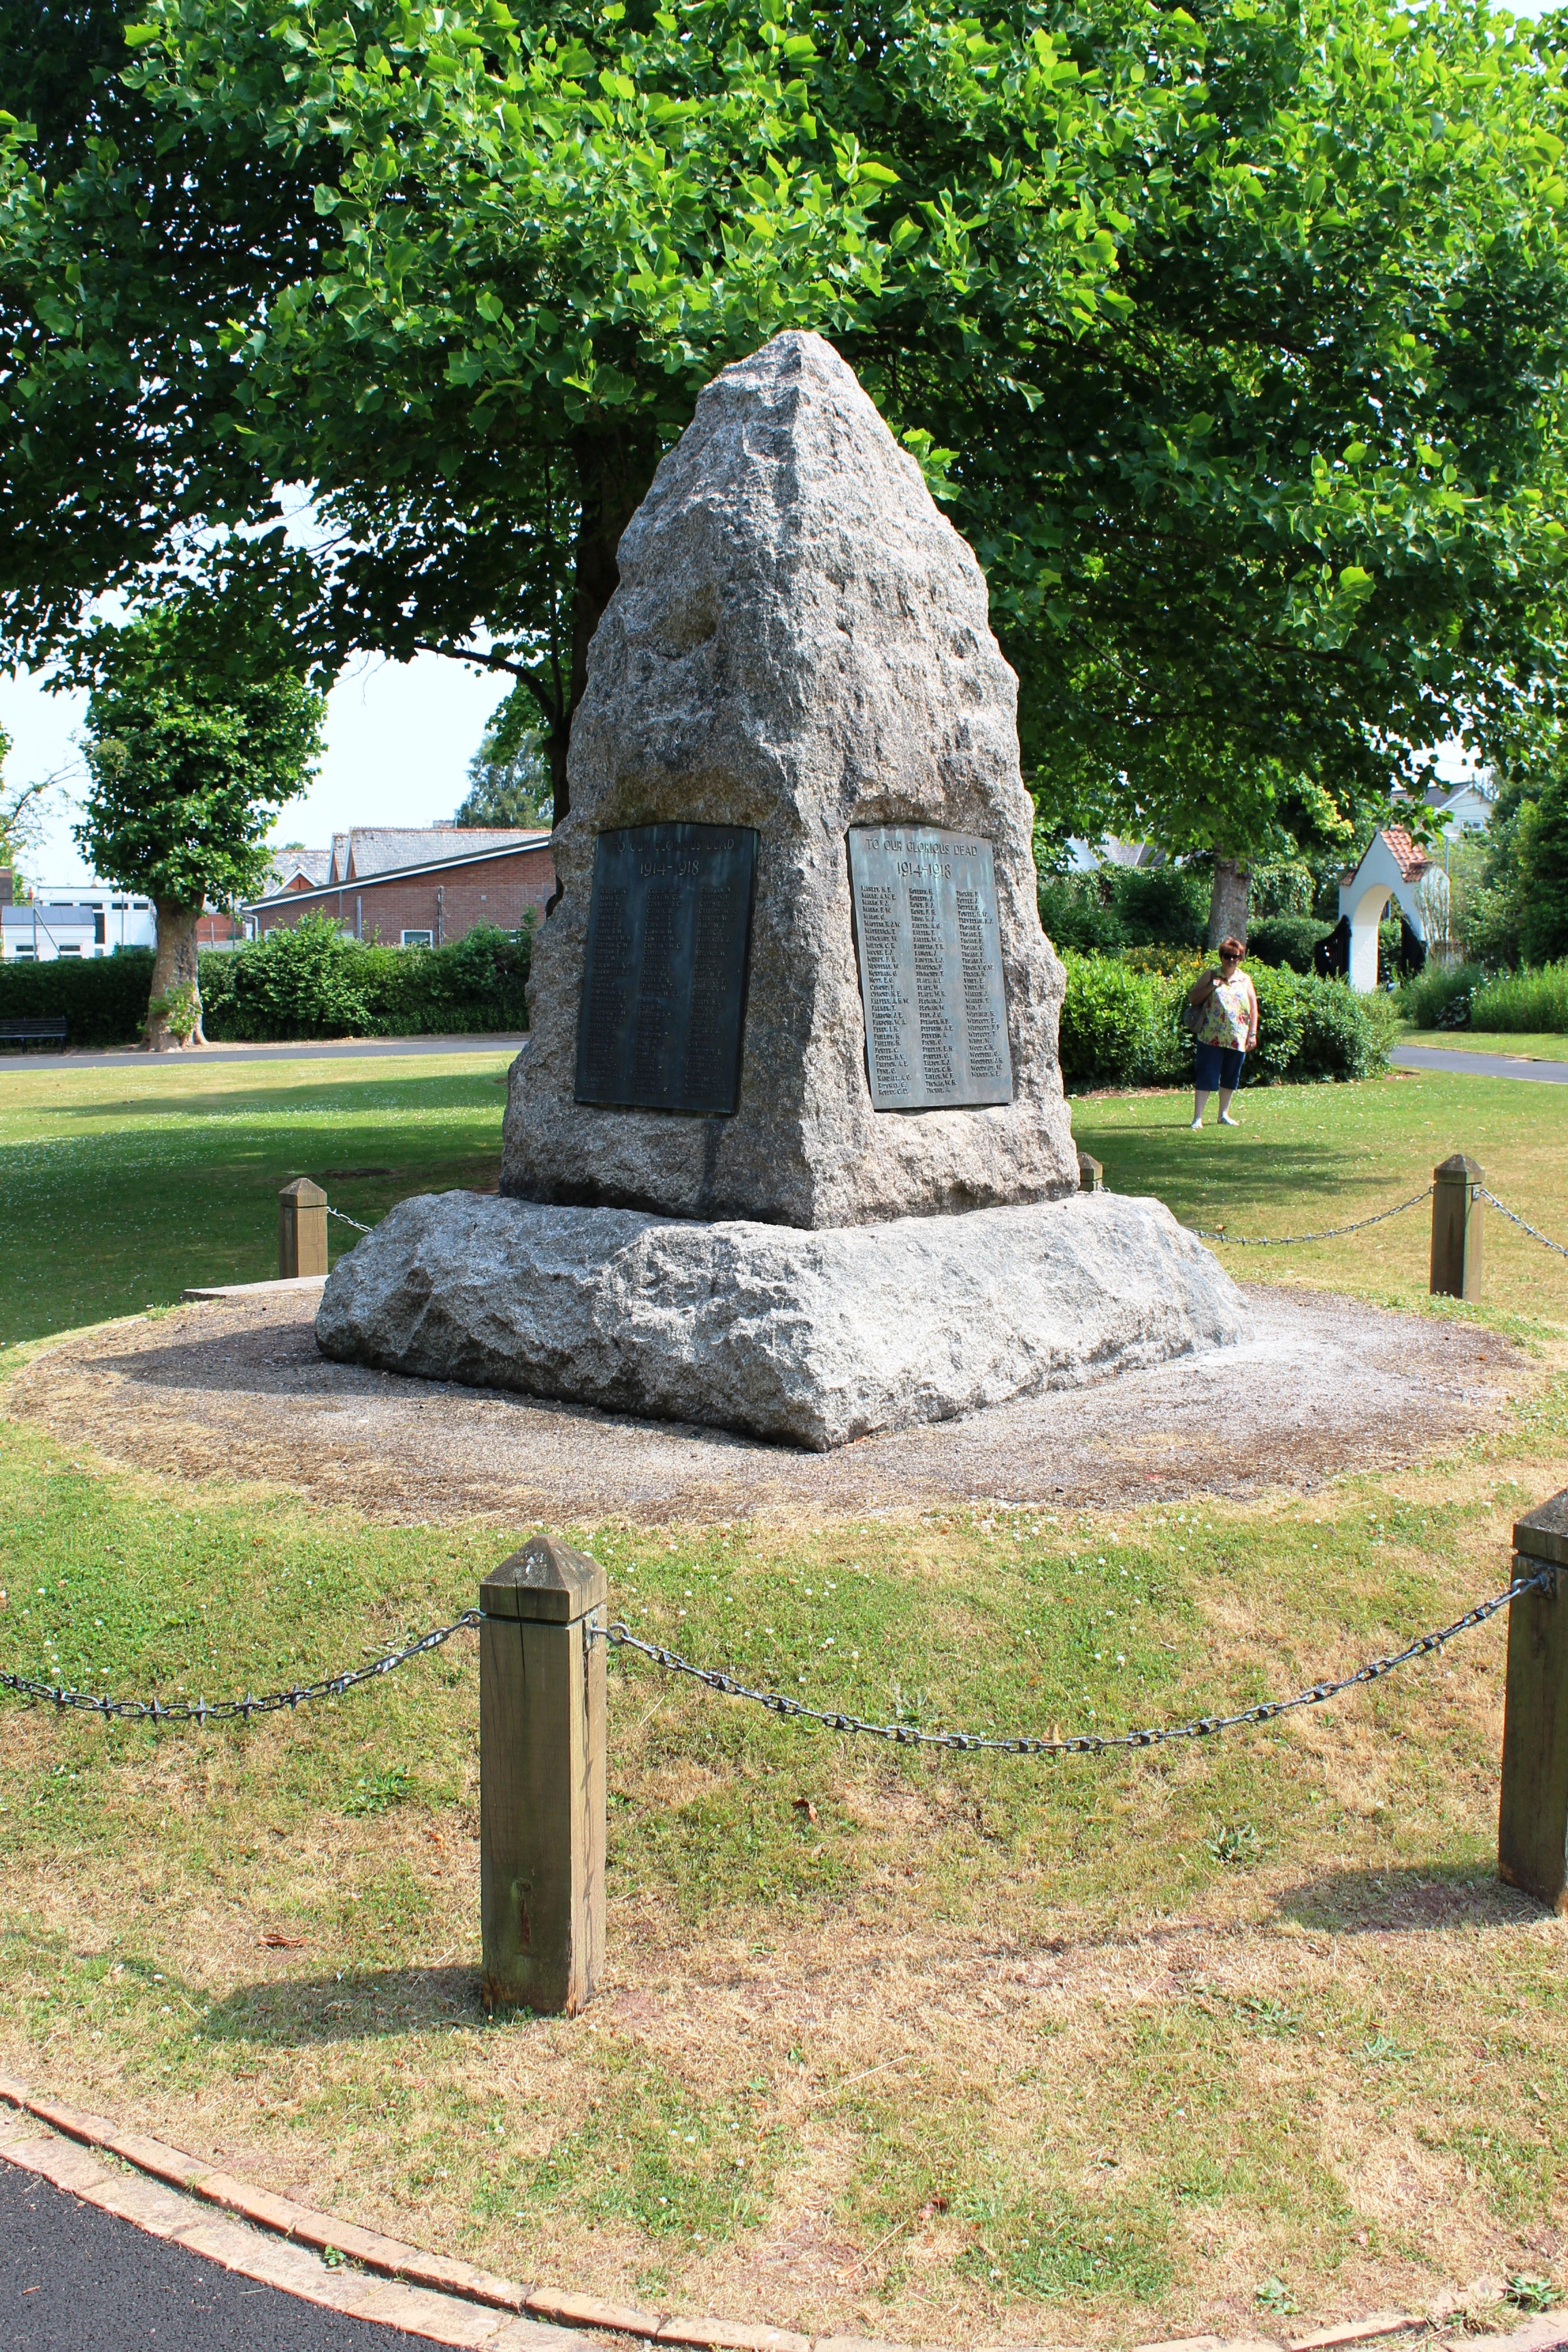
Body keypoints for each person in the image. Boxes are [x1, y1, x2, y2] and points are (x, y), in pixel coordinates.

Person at [1186, 936, 1258, 1129]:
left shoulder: (1245, 980)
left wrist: (1252, 1034)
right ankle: (1198, 1118)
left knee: (1230, 1076)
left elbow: (1253, 1009)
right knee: (1206, 1075)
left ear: (1241, 958)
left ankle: (1223, 1114)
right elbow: (1194, 998)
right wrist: (1212, 986)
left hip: (1237, 1037)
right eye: (1228, 956)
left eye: (1236, 957)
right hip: (1211, 1037)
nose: (1232, 960)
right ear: (1221, 957)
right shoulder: (1210, 975)